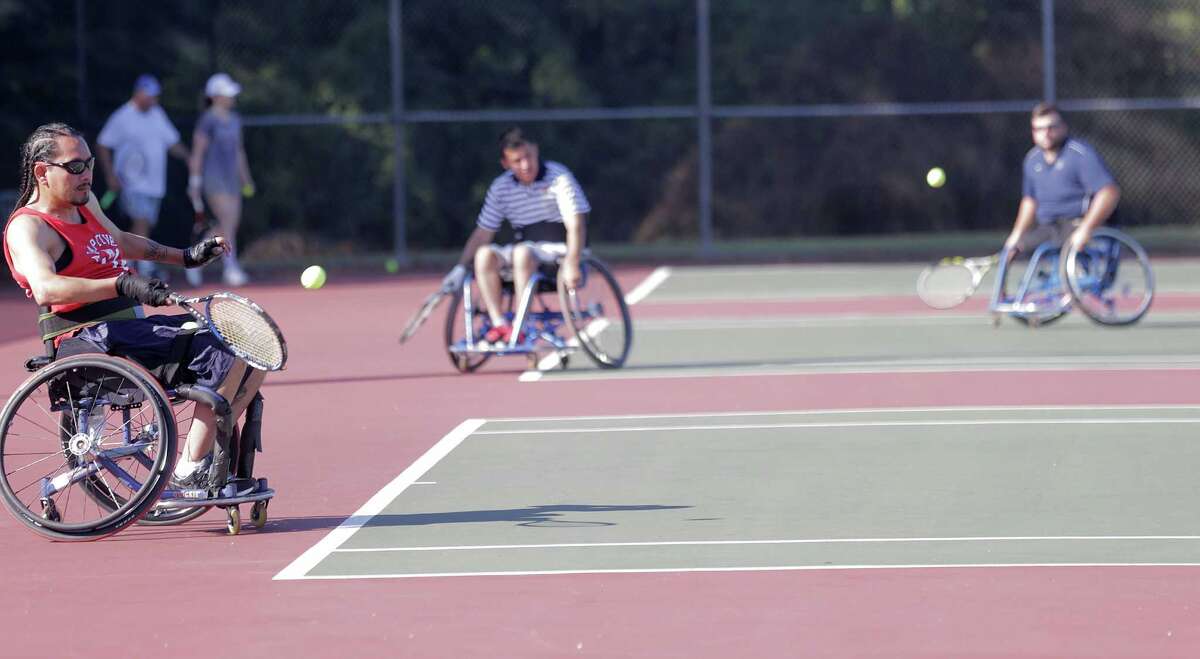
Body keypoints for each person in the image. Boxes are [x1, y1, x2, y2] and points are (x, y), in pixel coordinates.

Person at [3, 122, 265, 490]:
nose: (87, 174)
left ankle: (202, 457)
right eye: (75, 167)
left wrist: (186, 257)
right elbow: (47, 288)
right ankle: (189, 471)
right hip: (88, 339)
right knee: (225, 350)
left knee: (248, 350)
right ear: (42, 172)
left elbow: (121, 240)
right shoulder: (28, 228)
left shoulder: (86, 203)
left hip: (127, 330)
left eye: (90, 163)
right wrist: (121, 283)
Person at [441, 127, 590, 346]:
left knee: (522, 253)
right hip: (526, 248)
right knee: (484, 255)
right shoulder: (501, 187)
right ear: (506, 164)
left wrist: (573, 262)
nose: (526, 165)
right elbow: (483, 233)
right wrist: (460, 267)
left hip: (559, 251)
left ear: (536, 150)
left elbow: (576, 224)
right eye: (517, 160)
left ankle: (522, 323)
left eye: (528, 156)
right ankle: (500, 323)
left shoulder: (559, 177)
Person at [1001, 102, 1121, 291]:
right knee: (1013, 249)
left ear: (1063, 127)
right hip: (1049, 227)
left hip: (1076, 223)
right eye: (1039, 129)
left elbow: (1109, 193)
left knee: (1065, 245)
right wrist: (1016, 235)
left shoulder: (1080, 155)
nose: (1045, 133)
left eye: (1051, 127)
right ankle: (1004, 299)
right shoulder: (1032, 160)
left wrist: (1086, 229)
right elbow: (1029, 202)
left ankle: (1078, 274)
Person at [95, 74, 190, 280]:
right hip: (132, 184)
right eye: (150, 96)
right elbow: (102, 145)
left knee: (145, 224)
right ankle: (139, 269)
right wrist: (111, 175)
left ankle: (124, 264)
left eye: (156, 97)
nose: (154, 100)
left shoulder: (157, 114)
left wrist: (190, 159)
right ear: (138, 93)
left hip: (155, 185)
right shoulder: (122, 116)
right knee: (142, 222)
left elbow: (172, 142)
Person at [188, 72, 255, 287]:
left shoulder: (235, 120)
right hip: (213, 179)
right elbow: (198, 152)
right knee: (227, 221)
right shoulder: (207, 120)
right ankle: (231, 268)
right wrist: (195, 181)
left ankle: (193, 257)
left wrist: (246, 179)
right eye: (227, 94)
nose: (231, 97)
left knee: (229, 226)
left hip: (232, 180)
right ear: (215, 96)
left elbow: (239, 151)